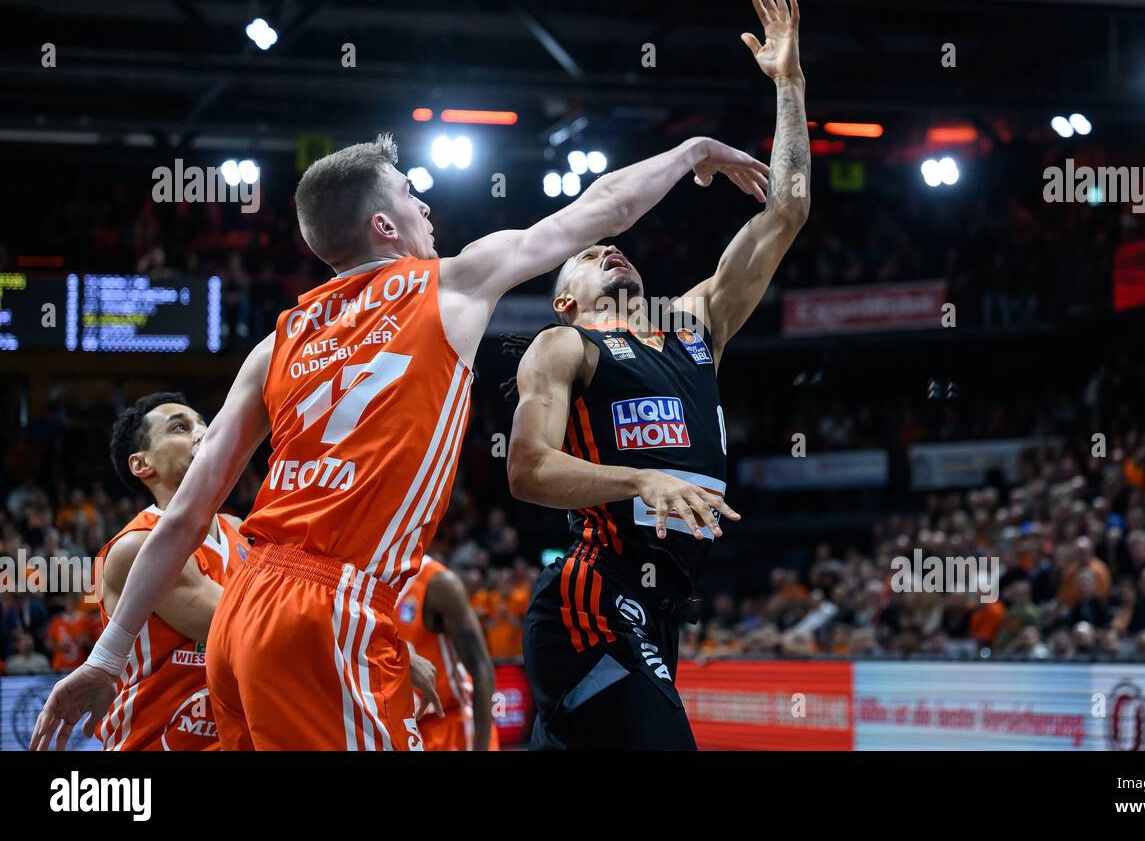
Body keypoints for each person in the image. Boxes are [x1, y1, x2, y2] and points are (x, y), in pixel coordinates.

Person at [33, 126, 766, 751]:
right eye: (412, 196)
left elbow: (188, 514)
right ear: (384, 226)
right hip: (327, 606)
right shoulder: (448, 285)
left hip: (244, 611)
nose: (425, 207)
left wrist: (107, 654)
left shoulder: (277, 342)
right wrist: (688, 152)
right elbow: (601, 210)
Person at [508, 0, 809, 749]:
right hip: (591, 596)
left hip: (663, 605)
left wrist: (789, 84)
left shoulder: (696, 324)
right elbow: (529, 469)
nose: (609, 249)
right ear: (566, 303)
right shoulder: (564, 346)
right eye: (585, 257)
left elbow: (788, 209)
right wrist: (641, 478)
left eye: (613, 246)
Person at [93, 392, 249, 750]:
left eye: (204, 424)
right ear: (142, 464)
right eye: (180, 427)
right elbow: (246, 629)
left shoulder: (239, 531)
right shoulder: (138, 546)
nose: (203, 432)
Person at [394, 555, 498, 751]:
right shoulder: (361, 582)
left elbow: (481, 666)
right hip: (400, 728)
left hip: (447, 726)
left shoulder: (439, 583)